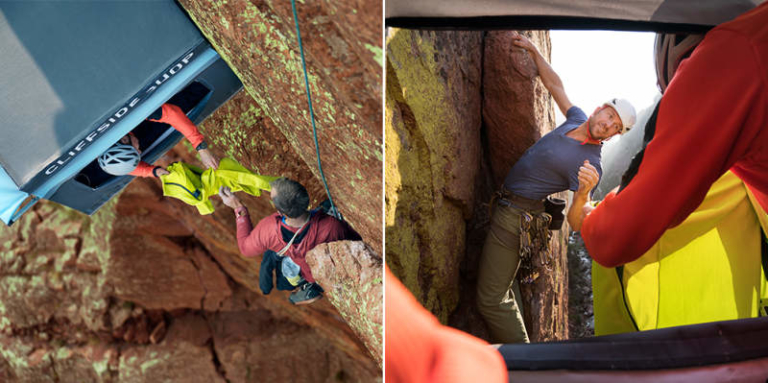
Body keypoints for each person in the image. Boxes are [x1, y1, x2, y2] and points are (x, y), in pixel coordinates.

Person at [572, 2, 768, 268]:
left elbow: (617, 235)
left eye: (614, 124)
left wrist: (589, 216)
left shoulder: (728, 54)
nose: (607, 126)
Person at [476, 32, 636, 344]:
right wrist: (536, 52)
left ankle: (523, 361)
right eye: (609, 116)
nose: (607, 124)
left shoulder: (591, 163)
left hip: (516, 218)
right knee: (504, 287)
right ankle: (519, 348)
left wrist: (582, 195)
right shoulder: (575, 118)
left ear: (615, 134)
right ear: (601, 108)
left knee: (490, 299)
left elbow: (578, 222)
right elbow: (556, 86)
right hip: (509, 208)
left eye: (615, 126)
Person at [218, 177, 361, 304]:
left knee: (273, 259)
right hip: (318, 263)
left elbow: (245, 248)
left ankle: (309, 286)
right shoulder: (331, 225)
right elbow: (356, 241)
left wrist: (238, 207)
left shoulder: (269, 230)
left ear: (281, 213)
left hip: (305, 267)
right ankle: (311, 285)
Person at [97, 103, 219, 177]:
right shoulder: (106, 147)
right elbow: (133, 169)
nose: (140, 152)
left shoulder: (129, 114)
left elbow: (173, 113)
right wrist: (154, 172)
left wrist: (201, 147)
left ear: (124, 140)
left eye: (135, 151)